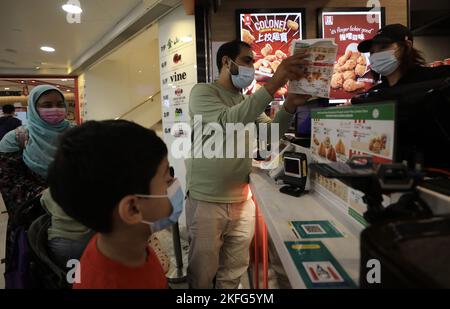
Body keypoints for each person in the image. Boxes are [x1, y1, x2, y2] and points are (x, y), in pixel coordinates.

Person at [185, 40, 311, 288]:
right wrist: (275, 82)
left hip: (242, 200)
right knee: (202, 275)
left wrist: (290, 105)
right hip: (206, 200)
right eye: (247, 60)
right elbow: (228, 120)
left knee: (233, 273)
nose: (252, 67)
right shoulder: (203, 92)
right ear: (226, 62)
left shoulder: (246, 101)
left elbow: (270, 136)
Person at [47, 120, 183, 289]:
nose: (174, 183)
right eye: (166, 178)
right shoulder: (109, 282)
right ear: (132, 209)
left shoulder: (127, 246)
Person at [355, 24, 450, 169]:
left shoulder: (434, 80)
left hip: (434, 173)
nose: (375, 56)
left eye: (383, 48)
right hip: (387, 172)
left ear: (407, 46)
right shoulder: (376, 93)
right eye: (372, 52)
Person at [0, 85, 71, 212]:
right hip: (35, 215)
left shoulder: (77, 134)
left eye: (60, 104)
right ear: (33, 108)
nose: (55, 109)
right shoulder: (15, 139)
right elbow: (9, 183)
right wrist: (47, 198)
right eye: (47, 105)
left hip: (76, 213)